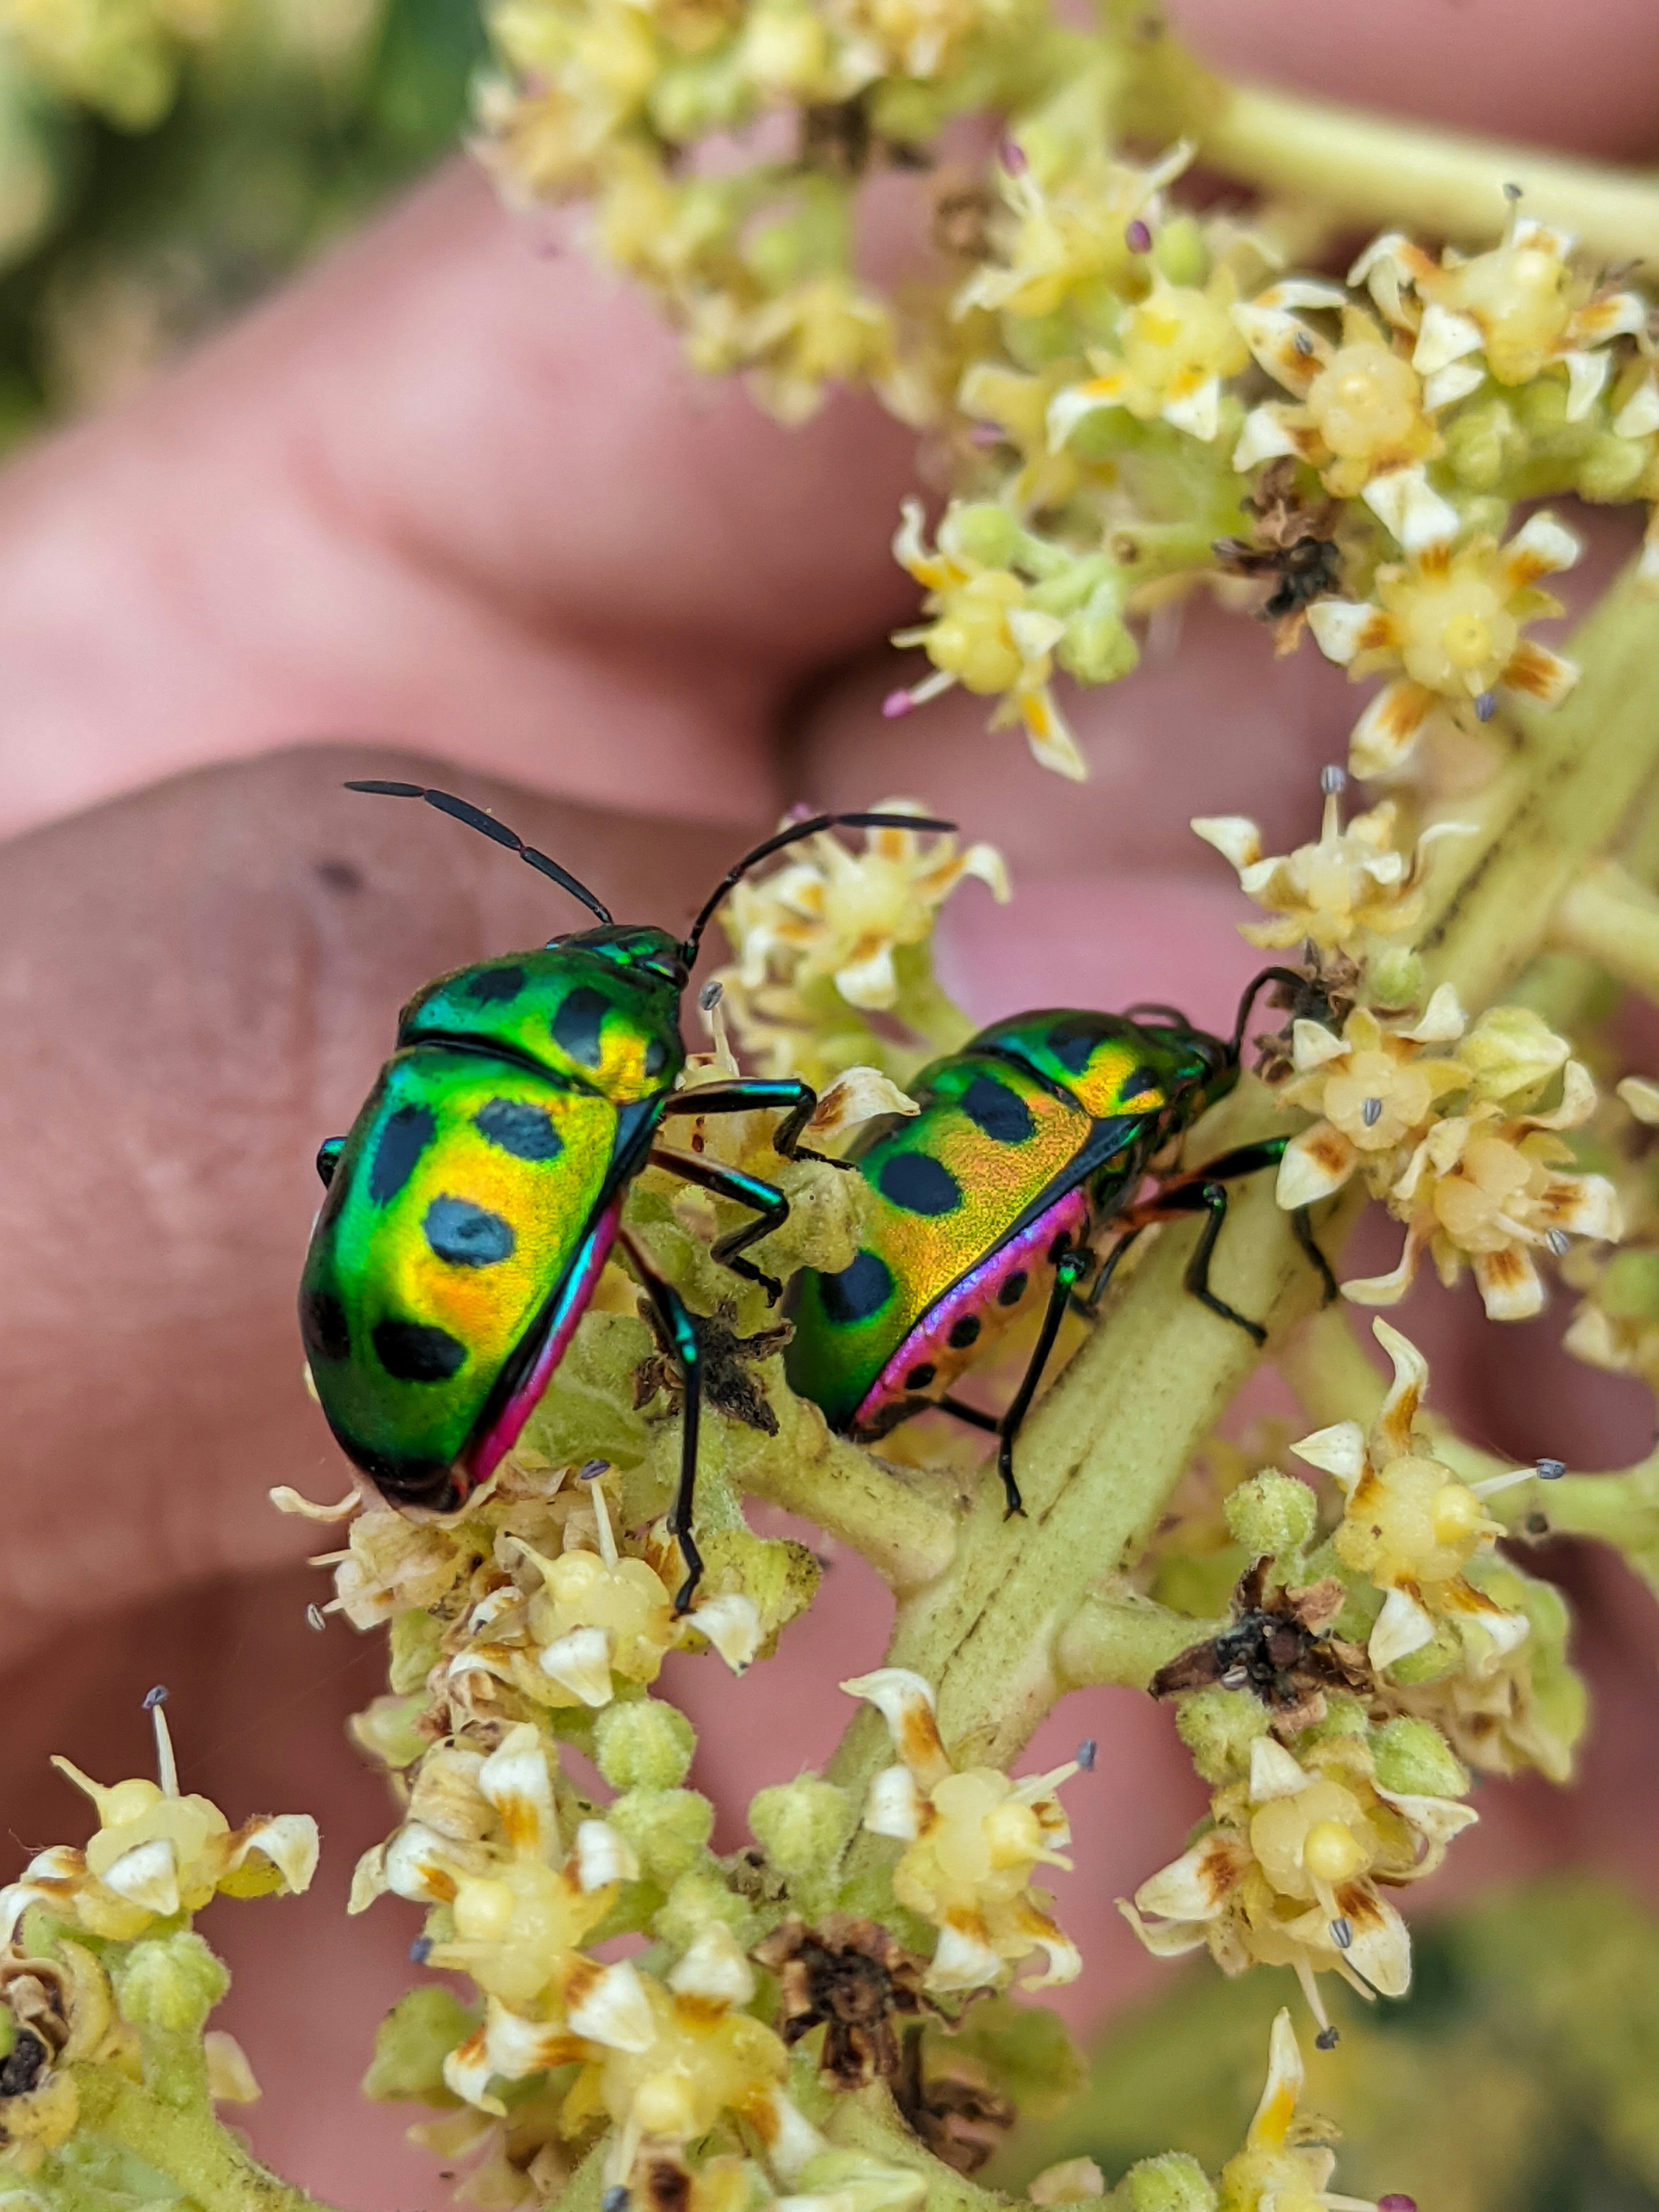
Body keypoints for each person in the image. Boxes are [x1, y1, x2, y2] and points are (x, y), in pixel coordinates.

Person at [0, 2, 1656, 2197]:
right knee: (682, 1310)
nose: (697, 1032)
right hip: (496, 1362)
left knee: (704, 1293)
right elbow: (666, 1174)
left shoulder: (541, 1080)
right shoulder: (625, 1094)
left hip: (472, 1351)